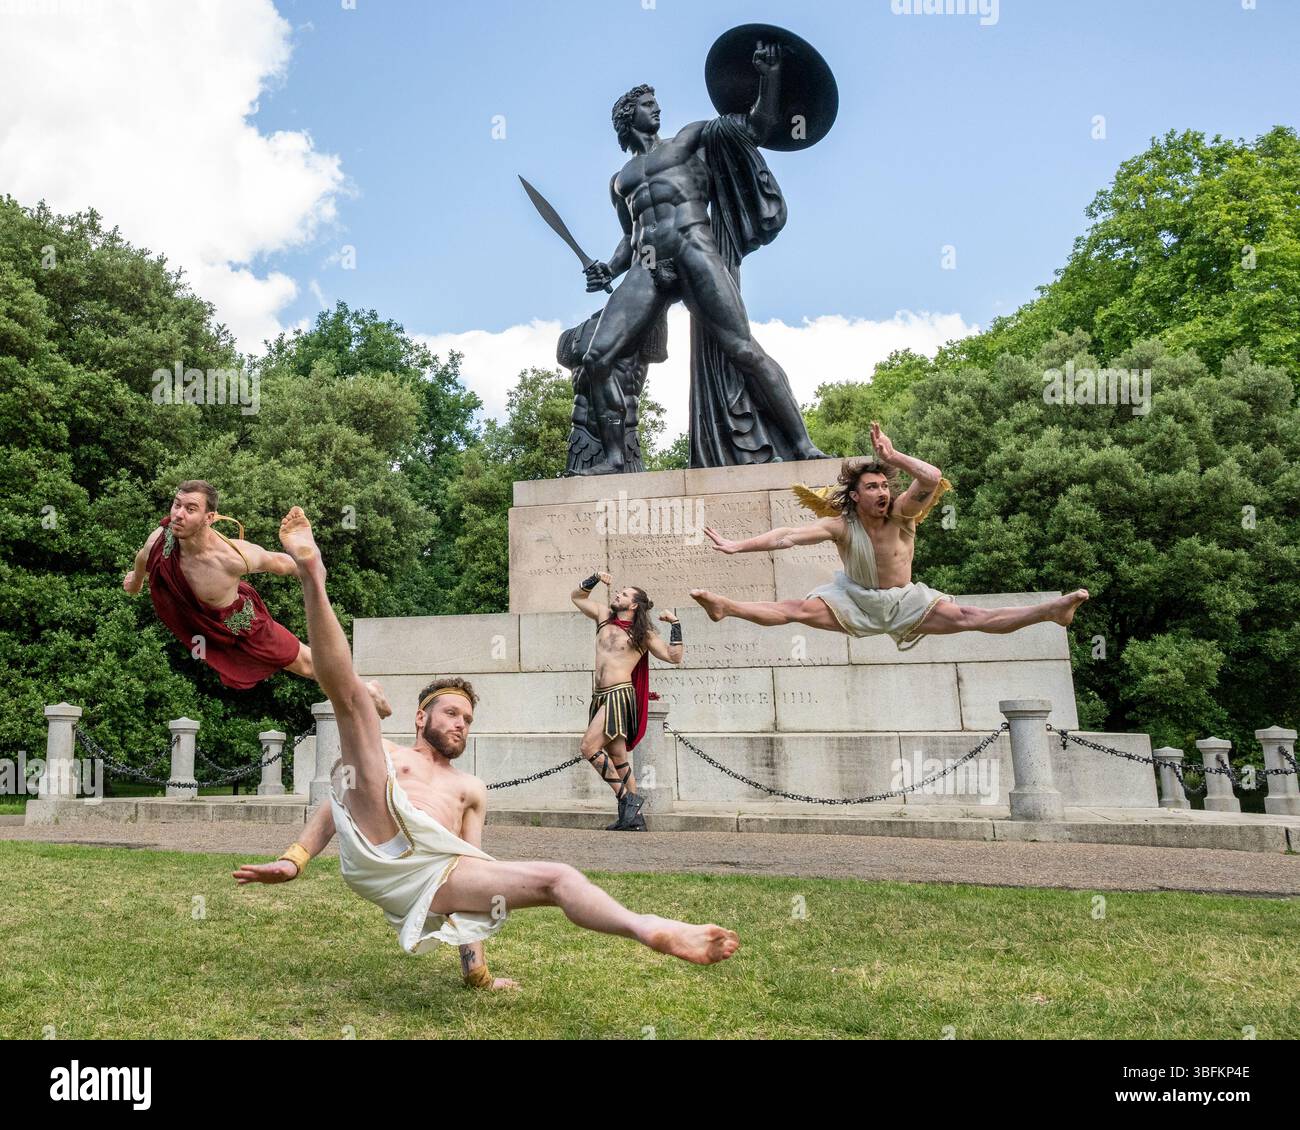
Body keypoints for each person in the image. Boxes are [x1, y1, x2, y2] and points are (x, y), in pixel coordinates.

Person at [232, 508, 739, 989]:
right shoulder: (387, 754)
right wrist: (295, 859)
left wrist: (477, 972)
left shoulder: (470, 788)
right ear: (421, 716)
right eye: (451, 713)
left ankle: (648, 928)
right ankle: (311, 572)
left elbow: (471, 865)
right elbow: (336, 805)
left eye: (467, 719)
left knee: (559, 878)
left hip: (436, 874)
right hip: (378, 850)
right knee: (352, 700)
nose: (460, 725)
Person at [690, 423, 1089, 647]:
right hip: (854, 600)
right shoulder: (842, 526)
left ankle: (1050, 611)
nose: (883, 492)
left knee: (971, 617)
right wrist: (737, 545)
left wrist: (893, 457)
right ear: (855, 495)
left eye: (885, 485)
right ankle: (727, 607)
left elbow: (932, 478)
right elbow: (786, 536)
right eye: (873, 487)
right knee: (795, 608)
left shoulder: (903, 514)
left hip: (905, 602)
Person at [123, 481, 390, 714]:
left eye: (190, 509)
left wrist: (308, 563)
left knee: (307, 665)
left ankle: (368, 691)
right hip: (194, 621)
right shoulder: (162, 536)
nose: (178, 514)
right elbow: (144, 558)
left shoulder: (232, 558)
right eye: (176, 504)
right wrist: (135, 582)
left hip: (239, 625)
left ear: (209, 517)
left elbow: (278, 563)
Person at [570, 572, 682, 830]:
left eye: (624, 594)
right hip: (599, 696)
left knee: (588, 748)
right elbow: (577, 596)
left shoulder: (643, 633)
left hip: (619, 695)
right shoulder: (603, 616)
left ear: (633, 605)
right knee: (617, 756)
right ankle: (634, 820)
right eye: (619, 591)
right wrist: (595, 578)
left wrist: (675, 624)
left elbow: (673, 656)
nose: (617, 594)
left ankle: (628, 801)